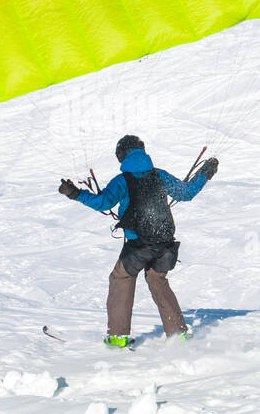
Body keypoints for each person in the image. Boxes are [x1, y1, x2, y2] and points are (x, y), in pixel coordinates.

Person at [58, 135, 218, 348]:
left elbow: (103, 202)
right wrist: (205, 173)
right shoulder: (159, 175)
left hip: (139, 246)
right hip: (166, 245)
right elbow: (186, 193)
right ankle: (178, 334)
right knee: (156, 279)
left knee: (121, 278)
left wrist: (75, 193)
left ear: (122, 157)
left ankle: (117, 336)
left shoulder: (122, 180)